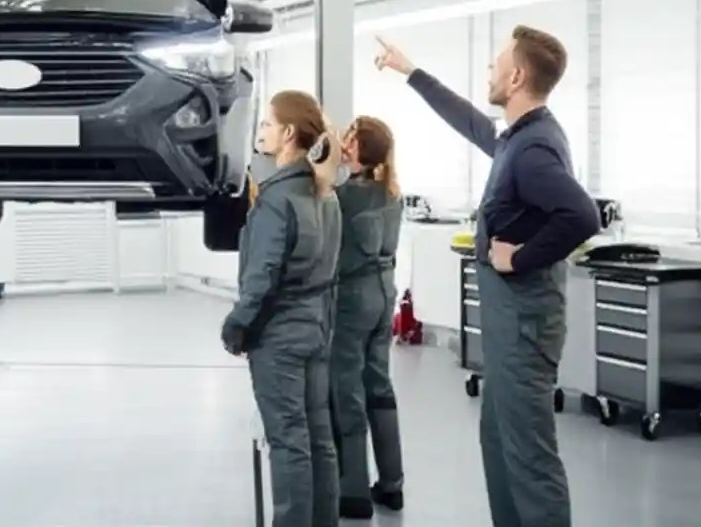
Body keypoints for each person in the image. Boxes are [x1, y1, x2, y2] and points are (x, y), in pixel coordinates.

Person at [375, 28, 600, 527]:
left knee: (528, 457)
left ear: (516, 76)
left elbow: (582, 216)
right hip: (510, 326)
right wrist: (411, 72)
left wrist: (518, 259)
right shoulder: (520, 138)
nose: (490, 72)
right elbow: (470, 122)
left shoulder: (532, 149)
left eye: (497, 64)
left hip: (524, 323)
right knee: (498, 442)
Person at [221, 90, 344, 527]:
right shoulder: (326, 196)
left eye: (267, 125)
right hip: (317, 329)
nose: (262, 132)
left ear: (288, 133)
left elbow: (263, 274)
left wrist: (238, 324)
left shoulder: (275, 200)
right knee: (319, 437)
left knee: (289, 441)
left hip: (279, 336)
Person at [330, 116, 406, 520]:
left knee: (347, 389)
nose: (343, 143)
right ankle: (392, 485)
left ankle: (354, 491)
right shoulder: (391, 192)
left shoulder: (344, 197)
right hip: (384, 293)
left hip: (353, 298)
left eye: (351, 139)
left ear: (364, 149)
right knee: (380, 385)